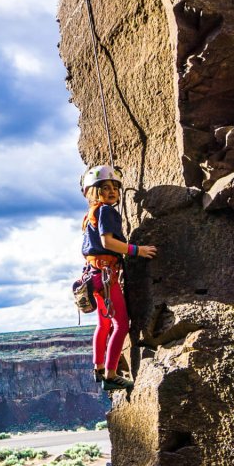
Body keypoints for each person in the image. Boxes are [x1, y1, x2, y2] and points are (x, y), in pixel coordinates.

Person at [80, 165, 157, 391]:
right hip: (106, 277)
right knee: (121, 325)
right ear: (94, 191)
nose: (112, 191)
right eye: (105, 187)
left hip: (94, 275)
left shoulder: (90, 215)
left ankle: (98, 367)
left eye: (115, 187)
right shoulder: (106, 211)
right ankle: (111, 375)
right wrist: (137, 250)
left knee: (103, 324)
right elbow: (107, 243)